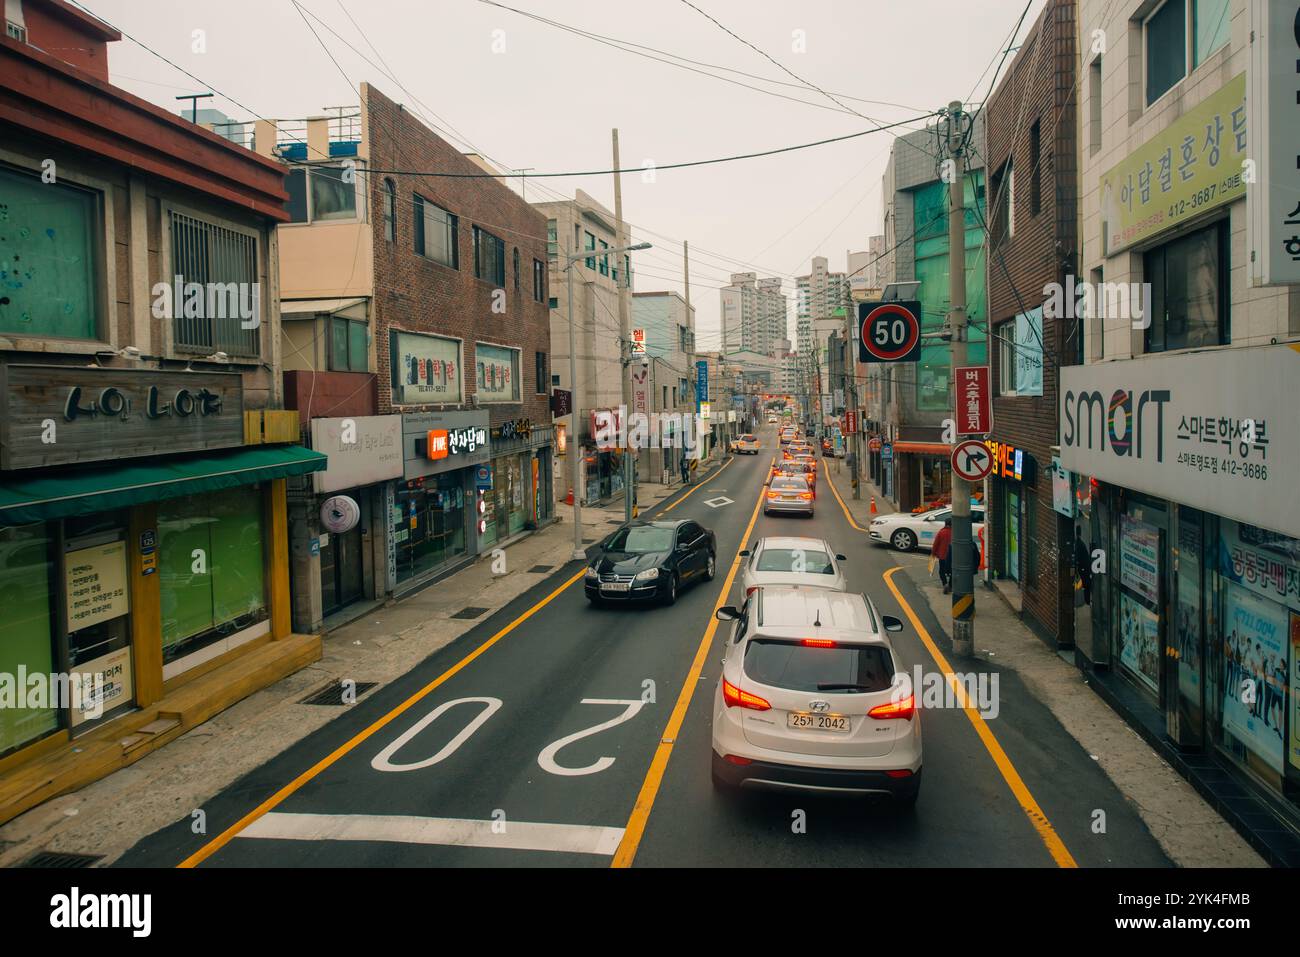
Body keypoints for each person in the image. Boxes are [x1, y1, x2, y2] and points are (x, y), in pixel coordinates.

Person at [931, 518, 953, 594]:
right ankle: (950, 585)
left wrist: (933, 553)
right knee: (952, 572)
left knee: (942, 571)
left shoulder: (941, 532)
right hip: (952, 557)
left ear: (945, 523)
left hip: (943, 556)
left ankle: (945, 584)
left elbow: (936, 544)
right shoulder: (956, 532)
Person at [1072, 526, 1092, 606]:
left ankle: (1087, 601)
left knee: (1085, 584)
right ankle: (1087, 601)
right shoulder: (1080, 544)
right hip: (1085, 567)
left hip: (1083, 567)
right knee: (1086, 584)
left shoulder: (1077, 544)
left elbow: (1076, 558)